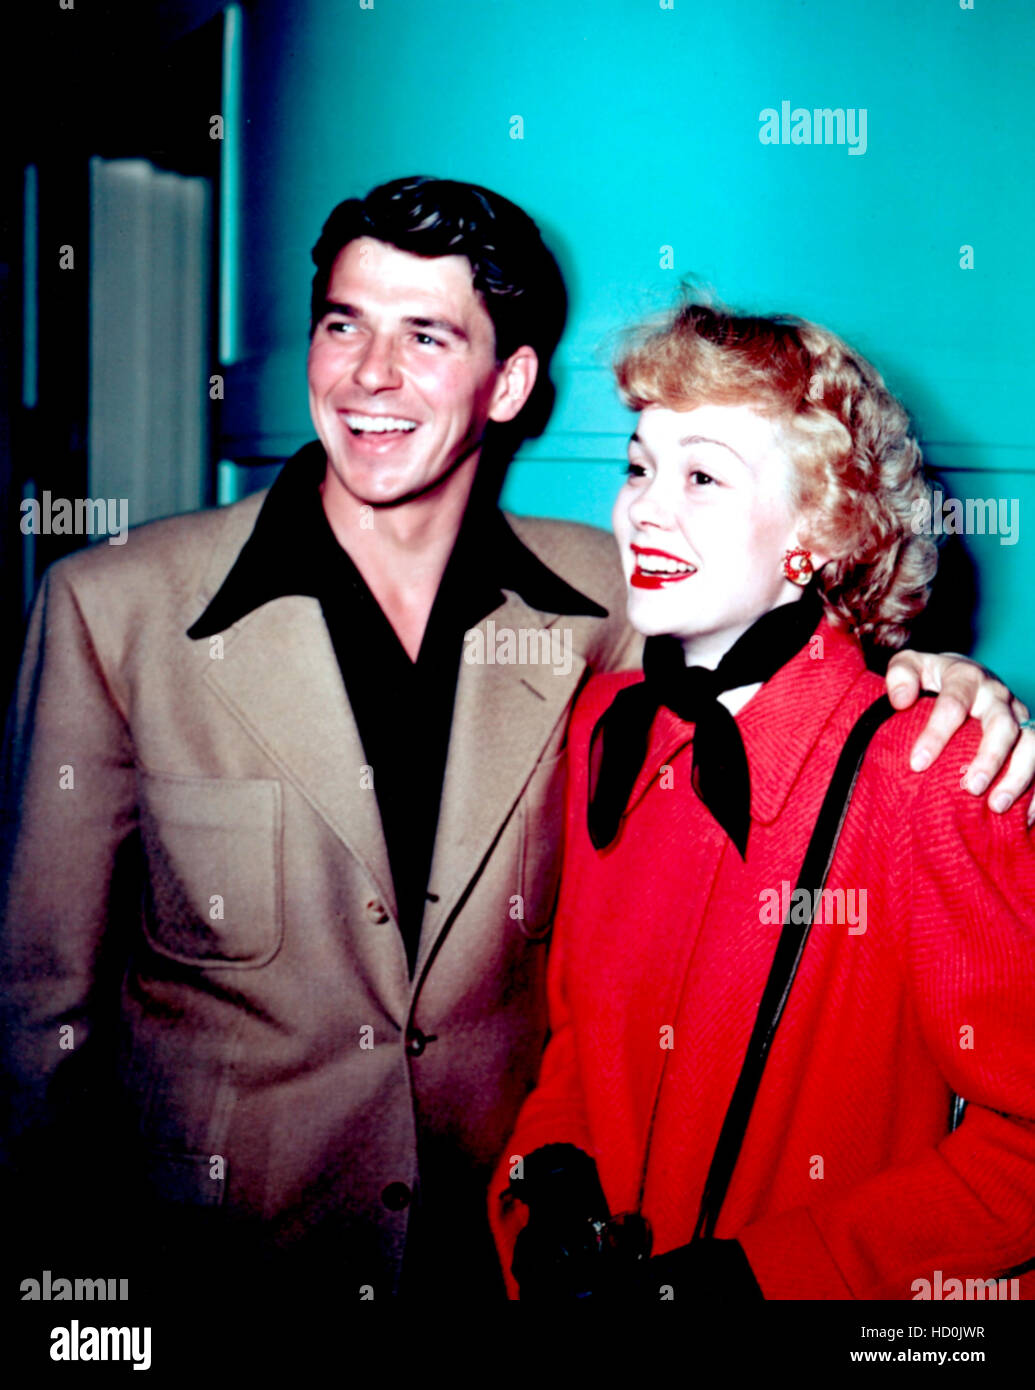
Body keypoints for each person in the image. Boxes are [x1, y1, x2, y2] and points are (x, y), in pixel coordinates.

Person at [0, 179, 1031, 1306]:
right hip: (222, 1273)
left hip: (476, 1276)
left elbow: (795, 665)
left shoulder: (602, 612)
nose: (367, 375)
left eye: (426, 335)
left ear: (512, 383)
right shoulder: (115, 606)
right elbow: (35, 1021)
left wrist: (938, 685)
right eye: (343, 323)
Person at [489, 302, 1035, 1301]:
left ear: (821, 534)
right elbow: (574, 1046)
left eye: (702, 477)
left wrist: (771, 1277)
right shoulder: (607, 721)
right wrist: (546, 1182)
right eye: (640, 466)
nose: (645, 510)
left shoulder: (933, 773)